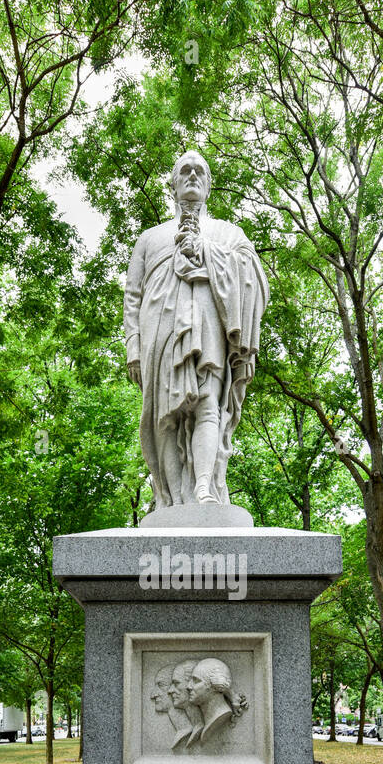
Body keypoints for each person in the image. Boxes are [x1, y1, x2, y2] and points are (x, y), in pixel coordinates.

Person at [124, 151, 269, 509]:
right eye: (184, 171)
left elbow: (255, 281)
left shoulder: (228, 233)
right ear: (173, 184)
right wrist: (133, 348)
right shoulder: (150, 238)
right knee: (165, 417)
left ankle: (204, 489)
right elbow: (132, 295)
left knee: (208, 405)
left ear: (208, 184)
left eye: (199, 170)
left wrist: (207, 250)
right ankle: (172, 502)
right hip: (159, 329)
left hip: (209, 328)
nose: (191, 175)